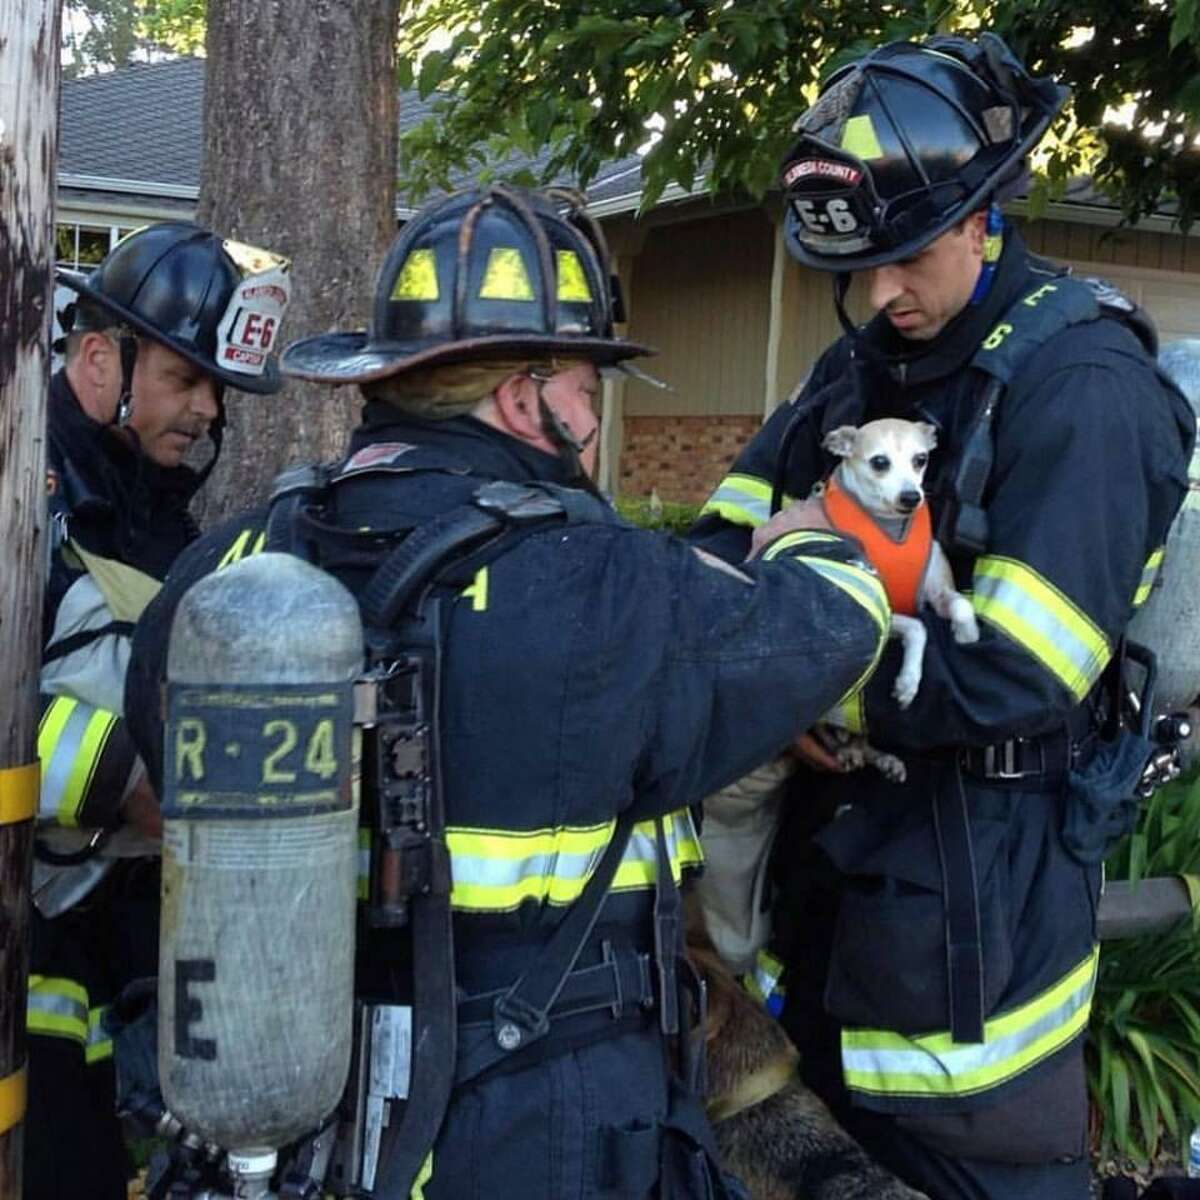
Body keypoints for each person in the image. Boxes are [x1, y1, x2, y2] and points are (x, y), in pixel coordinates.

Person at [123, 184, 891, 1199]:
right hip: (538, 1121)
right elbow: (837, 626)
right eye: (586, 382)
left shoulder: (234, 563)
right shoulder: (598, 581)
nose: (592, 411)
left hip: (296, 1114)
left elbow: (155, 733)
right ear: (525, 396)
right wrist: (810, 539)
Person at [689, 33, 1195, 1200]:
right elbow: (717, 552)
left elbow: (1021, 668)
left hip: (980, 931)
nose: (880, 297)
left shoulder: (1083, 391)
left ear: (983, 216)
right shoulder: (860, 372)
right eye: (858, 270)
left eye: (906, 258)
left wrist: (809, 674)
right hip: (833, 895)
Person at [29, 221, 292, 1200]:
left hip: (123, 947)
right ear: (101, 357)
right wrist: (129, 777)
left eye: (216, 387)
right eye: (187, 378)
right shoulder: (22, 492)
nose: (208, 409)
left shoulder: (158, 515)